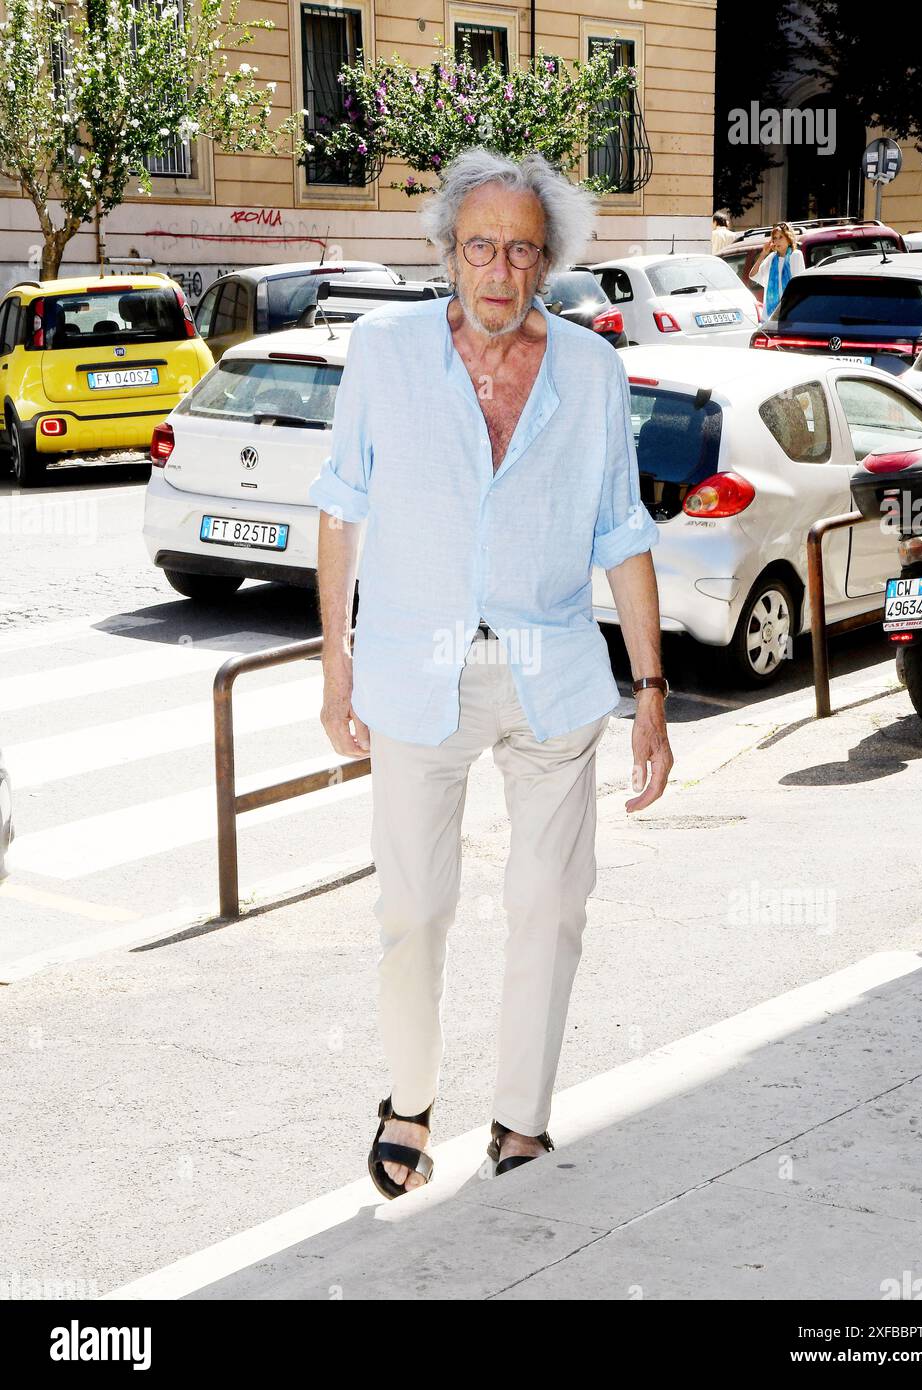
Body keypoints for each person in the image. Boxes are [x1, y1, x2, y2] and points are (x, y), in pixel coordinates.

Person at [310, 148, 673, 1200]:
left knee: (551, 902)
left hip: (552, 674)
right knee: (416, 906)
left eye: (522, 249)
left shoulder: (593, 371)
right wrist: (334, 661)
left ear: (548, 261)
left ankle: (520, 1119)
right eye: (482, 247)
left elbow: (623, 532)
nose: (501, 271)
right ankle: (411, 1101)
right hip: (414, 674)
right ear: (447, 253)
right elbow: (342, 507)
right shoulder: (382, 354)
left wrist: (651, 694)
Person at [749, 221, 805, 318]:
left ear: (788, 238)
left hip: (790, 312)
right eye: (775, 238)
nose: (777, 241)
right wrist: (763, 254)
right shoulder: (771, 258)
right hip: (771, 313)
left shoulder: (795, 255)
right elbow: (753, 275)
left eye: (781, 237)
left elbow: (799, 286)